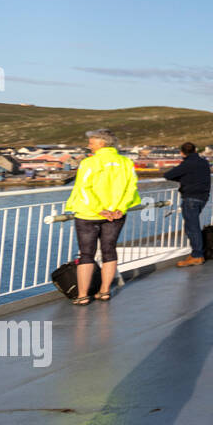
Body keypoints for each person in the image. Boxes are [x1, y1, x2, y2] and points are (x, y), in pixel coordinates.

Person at [64, 129, 140, 303]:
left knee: (86, 254)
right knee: (109, 251)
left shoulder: (89, 163)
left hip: (89, 214)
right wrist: (119, 208)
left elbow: (84, 189)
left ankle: (83, 295)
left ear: (102, 143)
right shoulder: (126, 162)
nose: (88, 145)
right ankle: (104, 291)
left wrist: (100, 209)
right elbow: (131, 188)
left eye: (91, 142)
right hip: (116, 214)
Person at [164, 141, 211, 266]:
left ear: (182, 153)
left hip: (190, 198)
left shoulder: (186, 164)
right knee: (193, 225)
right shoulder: (204, 162)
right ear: (195, 150)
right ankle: (197, 253)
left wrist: (181, 179)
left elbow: (168, 175)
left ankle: (197, 255)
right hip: (203, 197)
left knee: (192, 227)